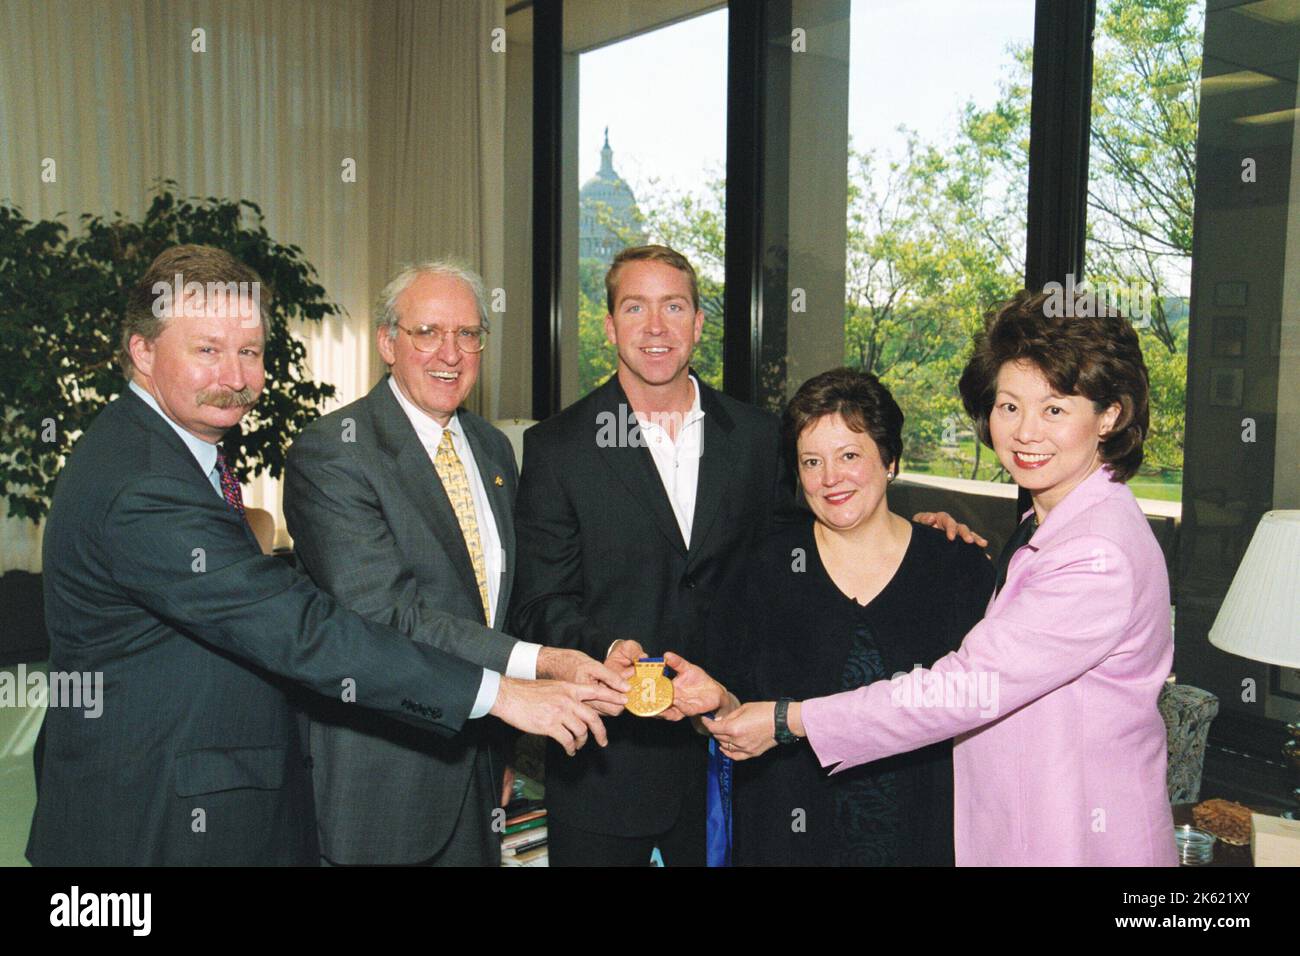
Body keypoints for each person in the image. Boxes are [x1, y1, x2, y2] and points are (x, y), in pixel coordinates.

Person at [27, 244, 623, 866]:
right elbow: (302, 629)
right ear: (143, 351)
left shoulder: (167, 452)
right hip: (153, 825)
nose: (235, 377)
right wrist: (500, 693)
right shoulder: (144, 482)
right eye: (207, 349)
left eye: (250, 352)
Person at [509, 244, 983, 866]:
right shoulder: (557, 447)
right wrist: (603, 653)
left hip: (753, 762)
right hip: (607, 768)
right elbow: (539, 601)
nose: (656, 327)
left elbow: (823, 526)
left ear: (699, 323)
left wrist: (920, 526)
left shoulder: (759, 438)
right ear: (609, 326)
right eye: (636, 308)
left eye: (673, 307)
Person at [701, 289, 1178, 866]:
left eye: (1054, 408)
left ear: (1109, 415)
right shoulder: (1043, 521)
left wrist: (788, 718)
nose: (1026, 432)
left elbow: (964, 687)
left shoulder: (1096, 552)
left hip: (1073, 838)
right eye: (1009, 406)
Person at [282, 261, 625, 866]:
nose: (452, 352)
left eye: (468, 334)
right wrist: (538, 667)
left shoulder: (494, 449)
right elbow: (387, 616)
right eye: (428, 332)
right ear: (389, 342)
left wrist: (555, 679)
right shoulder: (334, 453)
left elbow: (496, 606)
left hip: (478, 765)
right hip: (387, 780)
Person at [664, 368, 993, 865]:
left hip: (924, 844)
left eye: (850, 456)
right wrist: (716, 705)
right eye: (811, 461)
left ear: (890, 461)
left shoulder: (957, 569)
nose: (830, 478)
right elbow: (731, 712)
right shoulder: (760, 572)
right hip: (786, 844)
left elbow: (983, 708)